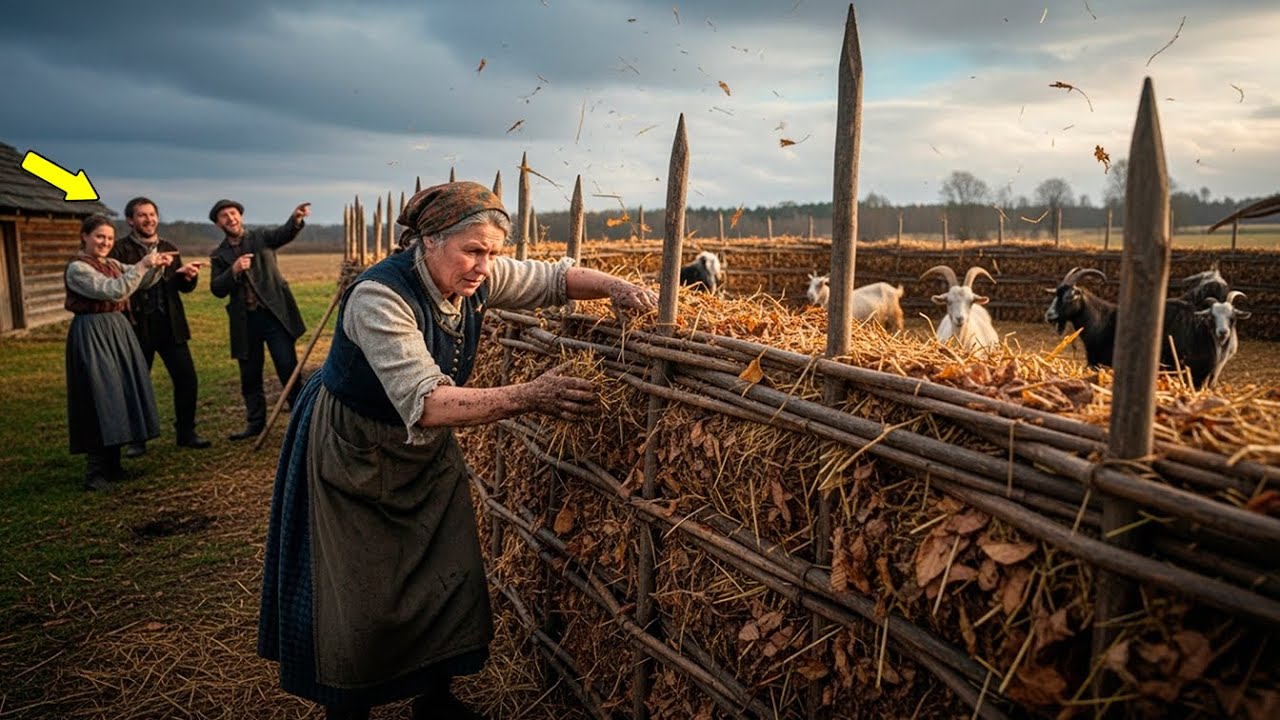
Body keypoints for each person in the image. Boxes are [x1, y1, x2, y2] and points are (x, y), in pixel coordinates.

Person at [257, 181, 657, 720]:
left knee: (447, 567)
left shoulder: (477, 275)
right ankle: (347, 708)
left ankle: (435, 699)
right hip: (356, 444)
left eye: (491, 252)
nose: (484, 265)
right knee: (357, 588)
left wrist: (615, 286)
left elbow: (554, 278)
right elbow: (427, 403)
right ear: (427, 241)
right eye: (473, 250)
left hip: (422, 453)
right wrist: (531, 394)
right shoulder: (380, 297)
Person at [65, 215, 174, 491]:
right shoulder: (78, 269)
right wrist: (141, 265)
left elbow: (141, 280)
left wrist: (157, 266)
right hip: (92, 333)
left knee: (118, 394)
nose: (105, 242)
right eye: (100, 237)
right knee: (99, 395)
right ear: (85, 236)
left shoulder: (111, 264)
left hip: (117, 330)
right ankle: (95, 472)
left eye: (110, 239)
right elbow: (115, 290)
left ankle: (114, 466)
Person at [110, 197, 211, 456]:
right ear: (130, 221)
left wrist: (188, 277)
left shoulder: (168, 247)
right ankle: (137, 439)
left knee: (187, 379)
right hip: (136, 327)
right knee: (135, 383)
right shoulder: (120, 251)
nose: (149, 219)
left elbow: (178, 287)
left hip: (170, 325)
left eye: (152, 214)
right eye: (142, 215)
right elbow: (119, 285)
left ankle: (186, 433)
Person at [208, 199, 310, 440]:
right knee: (250, 375)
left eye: (233, 213)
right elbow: (216, 288)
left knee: (288, 369)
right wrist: (233, 270)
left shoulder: (261, 238)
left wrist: (295, 219)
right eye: (224, 216)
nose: (230, 218)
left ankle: (302, 420)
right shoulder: (218, 255)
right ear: (218, 223)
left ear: (240, 216)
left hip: (274, 317)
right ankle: (255, 424)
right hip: (245, 323)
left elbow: (283, 234)